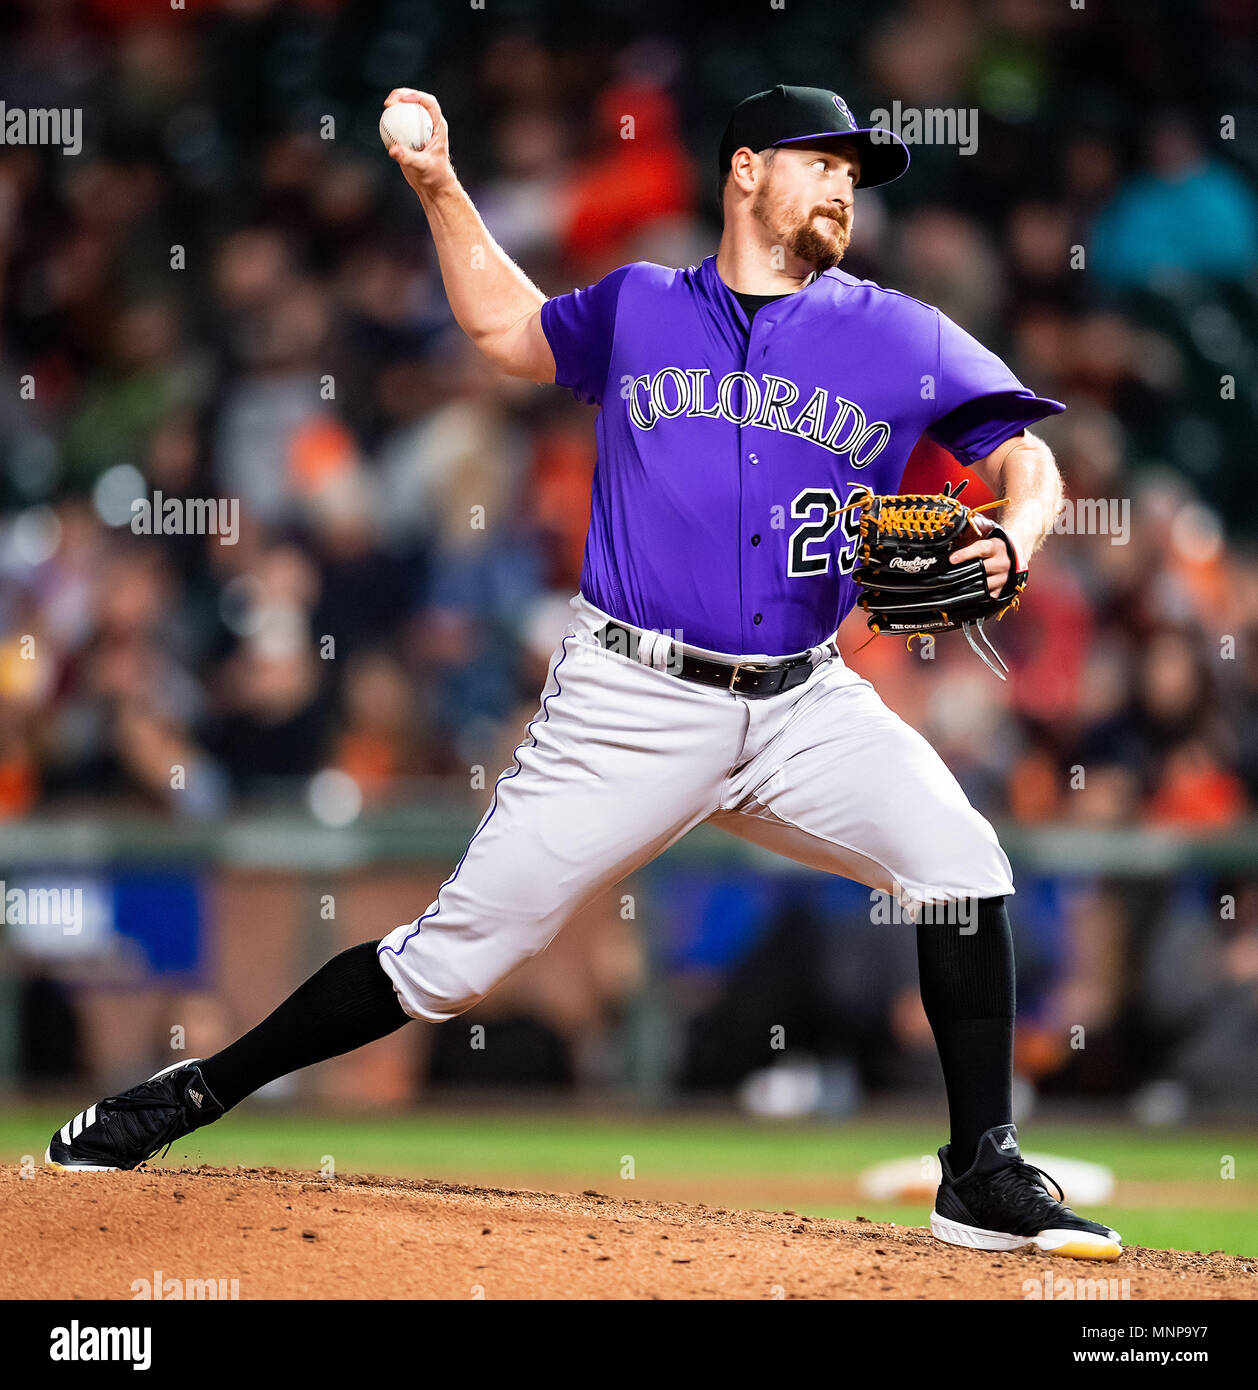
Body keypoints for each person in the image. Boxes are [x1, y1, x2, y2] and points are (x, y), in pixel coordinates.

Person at [48, 85, 1120, 1261]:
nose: (842, 191)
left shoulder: (897, 332)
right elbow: (509, 331)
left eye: (855, 179)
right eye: (822, 165)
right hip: (631, 703)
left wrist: (1017, 533)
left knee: (961, 862)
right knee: (449, 964)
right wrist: (440, 187)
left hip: (805, 698)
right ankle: (195, 1092)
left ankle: (979, 1171)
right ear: (746, 169)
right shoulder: (644, 304)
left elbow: (1028, 456)